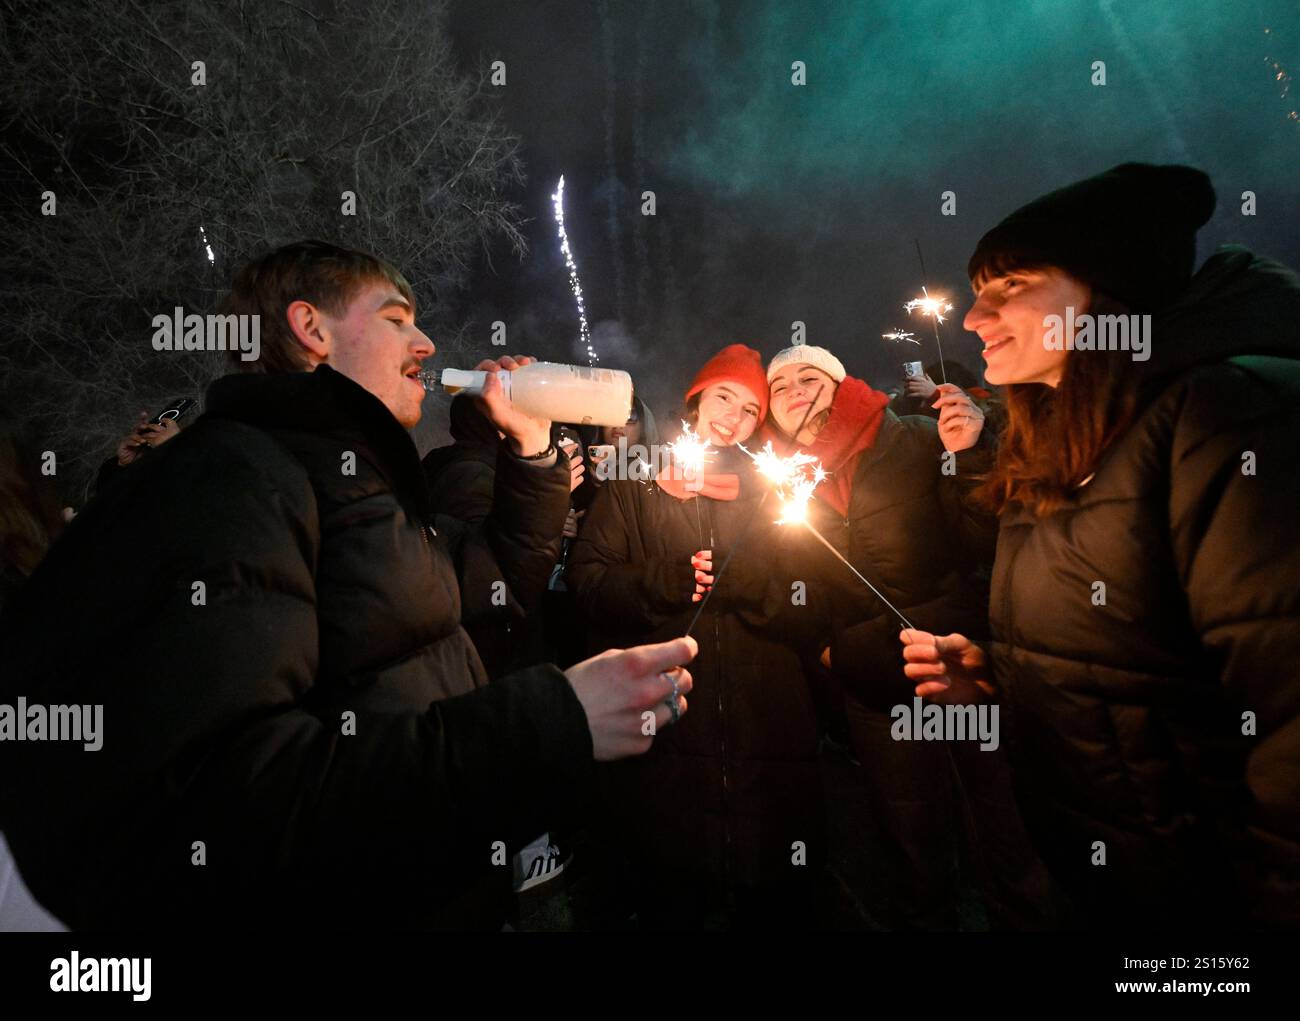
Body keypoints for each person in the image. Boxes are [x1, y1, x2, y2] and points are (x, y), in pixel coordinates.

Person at [0, 240, 696, 931]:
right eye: (397, 318)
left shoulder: (359, 484)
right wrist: (548, 721)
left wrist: (531, 446)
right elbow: (237, 806)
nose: (424, 341)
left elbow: (493, 584)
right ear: (312, 330)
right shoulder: (228, 479)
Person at [901, 162, 1300, 929]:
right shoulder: (1058, 444)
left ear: (1105, 289)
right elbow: (1136, 663)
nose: (975, 318)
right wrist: (1010, 678)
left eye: (1009, 285)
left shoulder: (1230, 418)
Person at [765, 343, 1056, 929]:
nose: (794, 389)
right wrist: (830, 649)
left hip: (960, 669)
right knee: (912, 843)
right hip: (874, 687)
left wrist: (970, 457)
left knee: (1006, 830)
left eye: (809, 375)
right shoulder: (782, 483)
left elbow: (988, 545)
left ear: (840, 382)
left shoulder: (919, 439)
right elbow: (789, 585)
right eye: (779, 386)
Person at [568, 344, 826, 929]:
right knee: (670, 892)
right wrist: (663, 580)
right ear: (697, 398)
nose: (732, 418)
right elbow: (588, 585)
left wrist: (757, 586)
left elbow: (813, 605)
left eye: (748, 412)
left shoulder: (775, 493)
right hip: (665, 729)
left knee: (773, 898)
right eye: (723, 398)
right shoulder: (639, 484)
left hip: (767, 733)